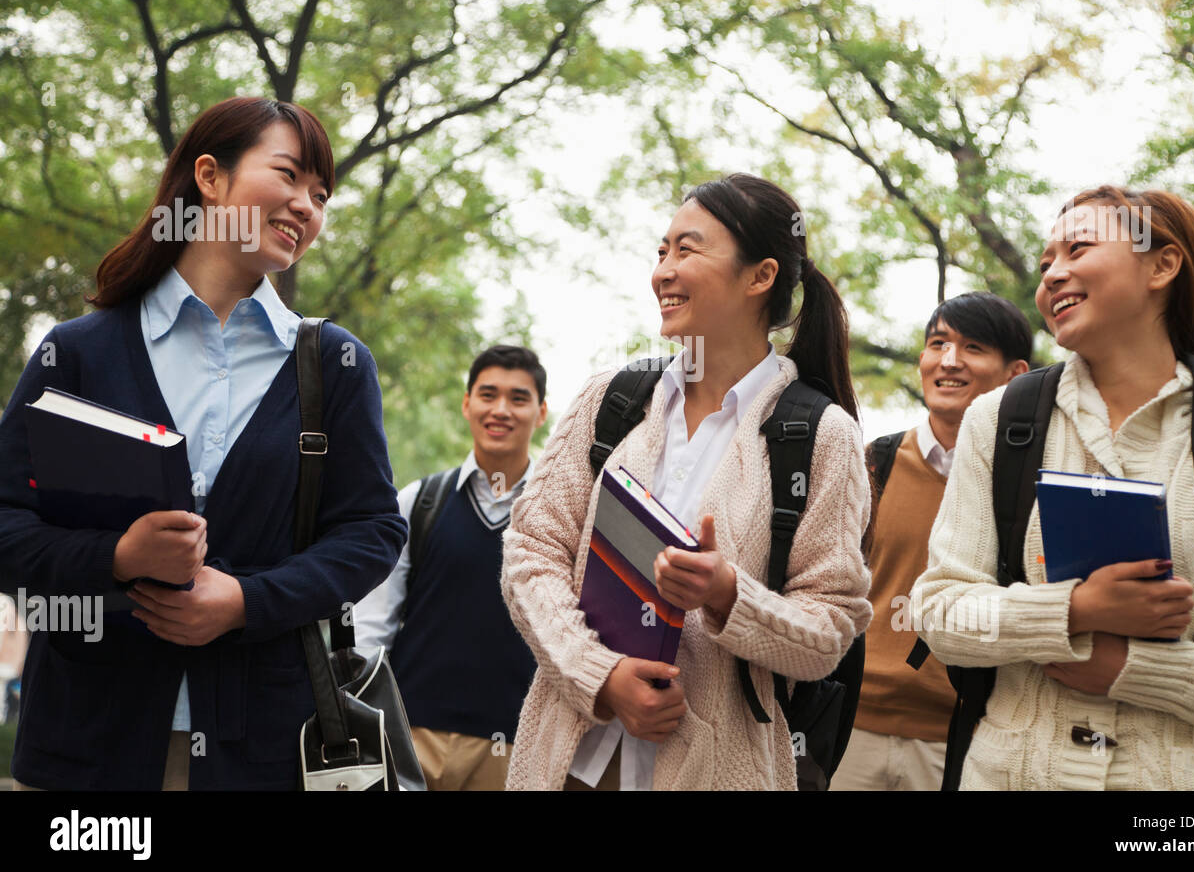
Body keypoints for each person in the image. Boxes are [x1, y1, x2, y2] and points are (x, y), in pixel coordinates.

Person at [0, 97, 407, 790]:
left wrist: (247, 601)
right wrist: (118, 557)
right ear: (210, 178)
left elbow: (371, 530)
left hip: (266, 749)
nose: (307, 206)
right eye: (288, 176)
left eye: (321, 194)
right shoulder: (78, 353)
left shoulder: (333, 365)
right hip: (92, 745)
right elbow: (7, 521)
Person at [913, 185, 1194, 790]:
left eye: (1078, 248)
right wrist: (1074, 610)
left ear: (1163, 265)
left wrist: (1137, 669)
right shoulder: (999, 420)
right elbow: (938, 613)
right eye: (1046, 264)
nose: (1053, 275)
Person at [500, 173, 872, 790]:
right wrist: (601, 675)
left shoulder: (819, 435)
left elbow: (829, 631)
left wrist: (730, 594)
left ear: (761, 276)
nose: (663, 271)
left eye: (687, 249)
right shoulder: (611, 402)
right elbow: (531, 554)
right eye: (662, 251)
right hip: (569, 764)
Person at [832, 291, 1031, 791]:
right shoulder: (870, 464)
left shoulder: (1028, 485)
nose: (949, 361)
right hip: (851, 727)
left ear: (1016, 374)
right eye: (937, 343)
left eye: (973, 348)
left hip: (965, 736)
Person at [353, 345, 548, 790]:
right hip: (409, 741)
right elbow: (372, 628)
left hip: (515, 748)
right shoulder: (419, 502)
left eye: (519, 398)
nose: (501, 410)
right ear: (466, 404)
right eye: (488, 394)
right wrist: (365, 722)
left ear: (540, 413)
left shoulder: (558, 514)